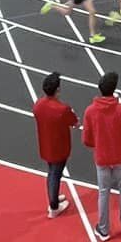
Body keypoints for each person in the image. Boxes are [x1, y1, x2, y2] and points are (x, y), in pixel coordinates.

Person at [83, 71, 121, 240]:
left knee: (103, 192)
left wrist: (100, 144)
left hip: (102, 157)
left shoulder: (90, 111)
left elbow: (87, 139)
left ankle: (103, 229)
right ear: (114, 89)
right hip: (120, 156)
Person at [34, 73, 78, 217]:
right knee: (55, 175)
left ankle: (54, 198)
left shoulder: (38, 105)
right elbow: (74, 122)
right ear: (57, 90)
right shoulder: (62, 109)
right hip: (59, 148)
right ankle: (54, 207)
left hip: (45, 145)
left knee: (51, 172)